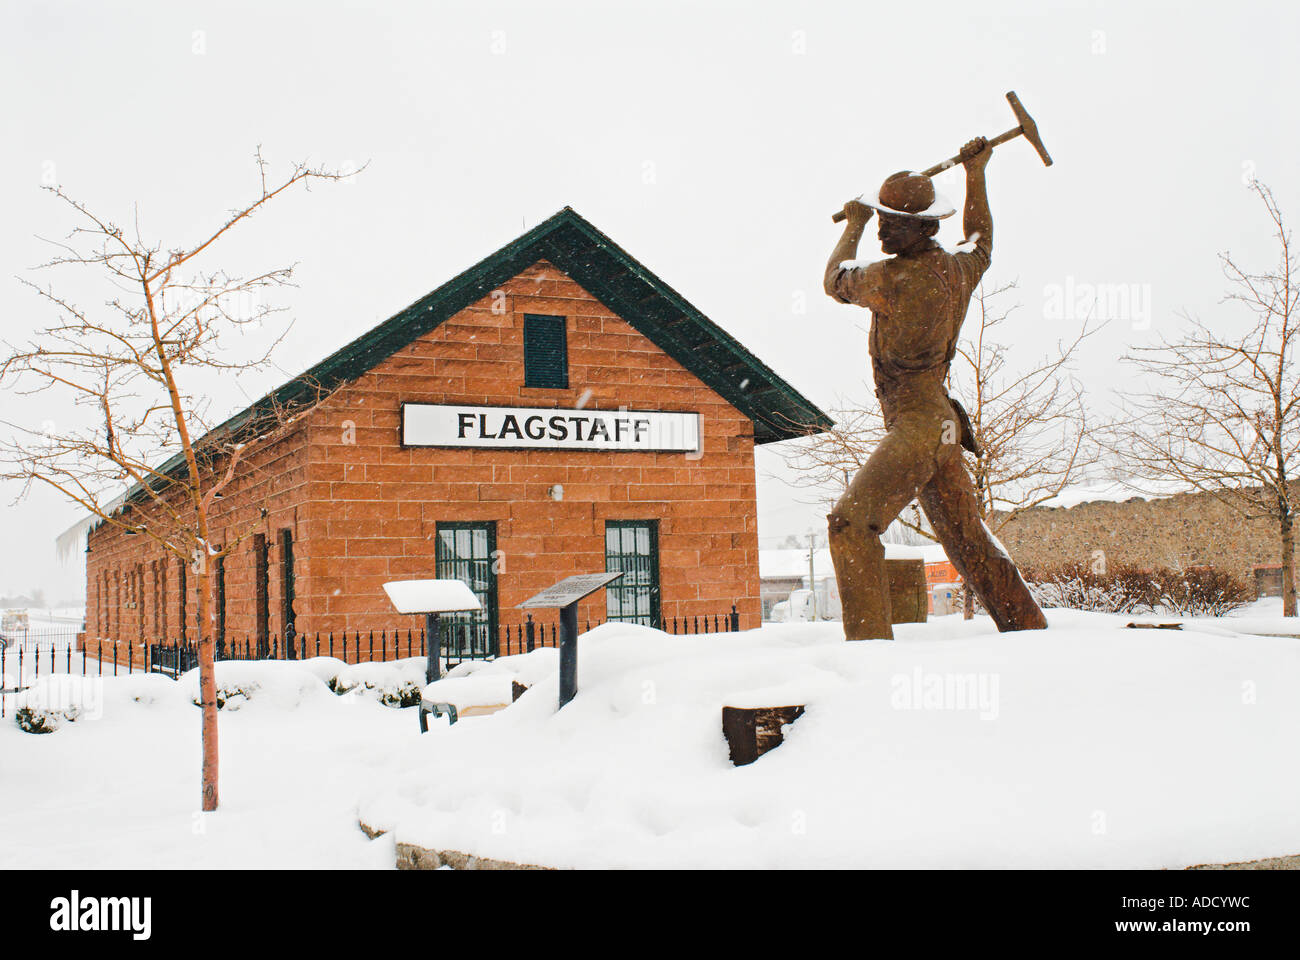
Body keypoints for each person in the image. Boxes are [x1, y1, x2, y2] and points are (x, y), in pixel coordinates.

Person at [823, 137, 1047, 640]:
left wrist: (853, 222)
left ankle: (868, 656)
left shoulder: (894, 277)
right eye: (878, 220)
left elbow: (834, 279)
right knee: (968, 542)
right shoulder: (957, 269)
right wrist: (977, 173)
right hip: (943, 424)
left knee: (851, 526)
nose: (882, 230)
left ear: (924, 227)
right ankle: (1030, 631)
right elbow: (980, 239)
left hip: (922, 425)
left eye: (891, 222)